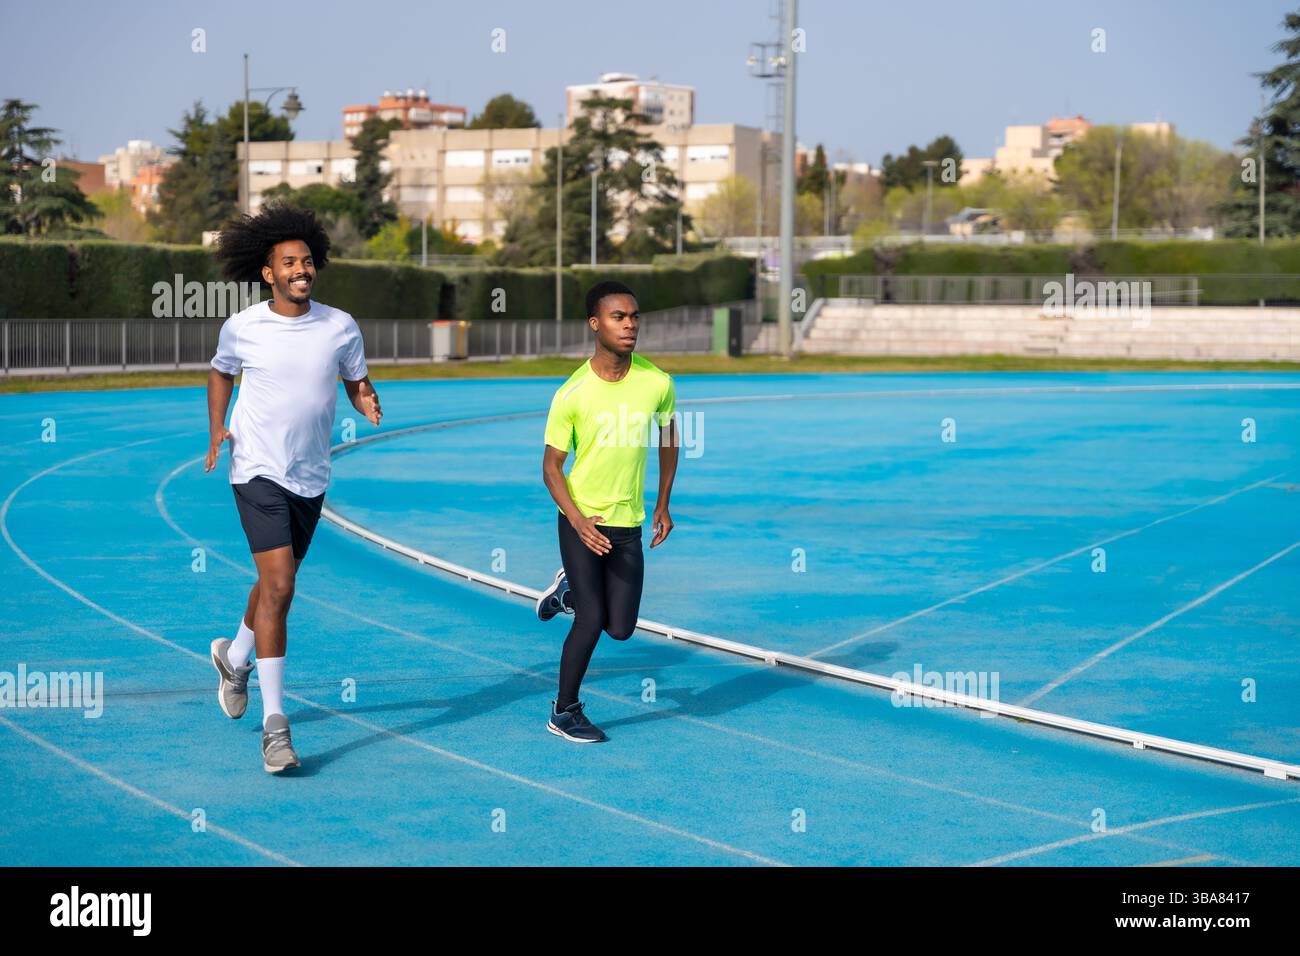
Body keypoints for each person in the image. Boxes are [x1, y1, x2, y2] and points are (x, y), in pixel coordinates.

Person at [205, 203, 382, 773]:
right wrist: (217, 426)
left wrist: (365, 399)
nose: (301, 269)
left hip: (311, 475)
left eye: (306, 261)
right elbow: (220, 371)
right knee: (280, 585)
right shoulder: (244, 326)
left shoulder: (340, 325)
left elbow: (356, 377)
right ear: (269, 273)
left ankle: (235, 656)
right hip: (255, 467)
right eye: (289, 262)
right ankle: (276, 725)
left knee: (273, 583)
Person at [536, 281, 680, 742]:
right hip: (582, 522)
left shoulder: (657, 382)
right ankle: (565, 711)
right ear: (595, 324)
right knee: (593, 621)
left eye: (635, 316)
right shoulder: (572, 393)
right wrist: (577, 522)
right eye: (619, 317)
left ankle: (568, 593)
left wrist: (662, 503)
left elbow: (670, 438)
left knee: (620, 629)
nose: (630, 325)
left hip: (628, 524)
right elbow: (551, 468)